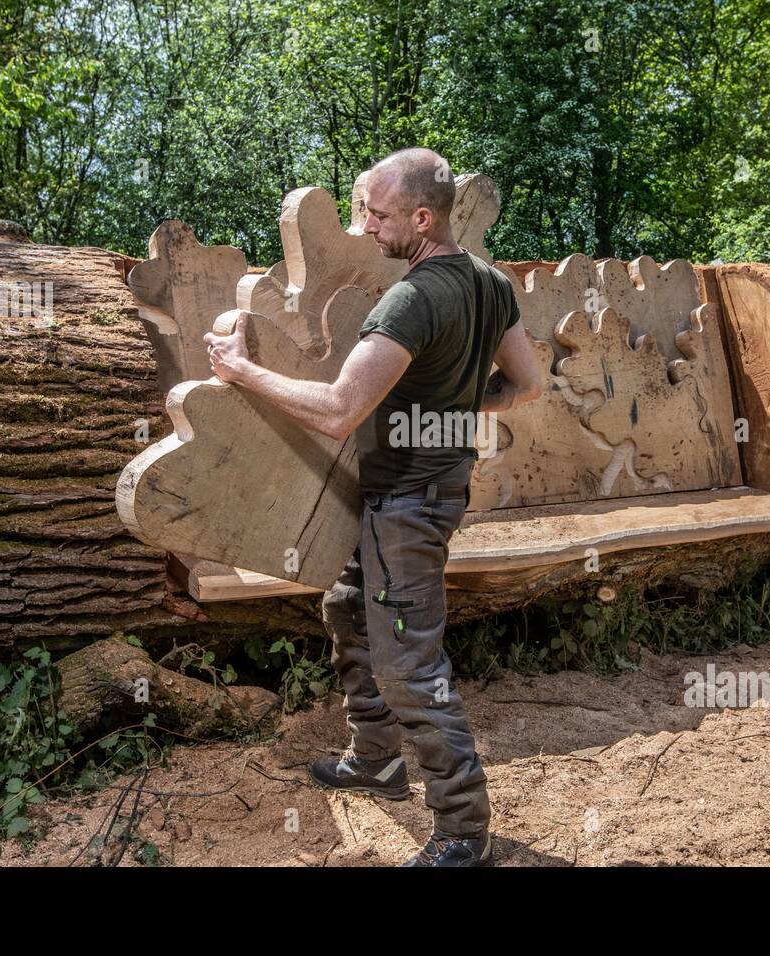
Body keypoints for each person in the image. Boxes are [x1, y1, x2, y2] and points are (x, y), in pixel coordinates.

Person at [204, 147, 543, 866]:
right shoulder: (490, 283)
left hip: (406, 505)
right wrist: (456, 405)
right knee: (347, 608)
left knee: (409, 669)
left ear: (422, 218)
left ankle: (462, 828)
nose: (364, 226)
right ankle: (376, 760)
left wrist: (239, 371)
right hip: (431, 489)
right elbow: (527, 383)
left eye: (377, 213)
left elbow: (336, 411)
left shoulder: (412, 299)